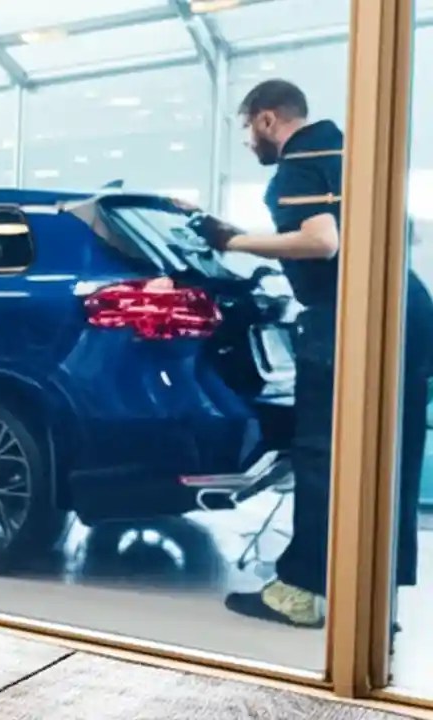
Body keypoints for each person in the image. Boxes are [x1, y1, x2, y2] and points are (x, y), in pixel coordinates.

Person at [188, 79, 433, 627]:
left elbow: (322, 241)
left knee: (324, 453)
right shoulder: (354, 153)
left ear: (268, 119)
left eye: (249, 128)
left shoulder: (299, 162)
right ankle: (373, 598)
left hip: (349, 315)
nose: (250, 142)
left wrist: (231, 241)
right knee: (389, 455)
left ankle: (301, 590)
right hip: (406, 308)